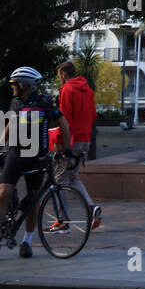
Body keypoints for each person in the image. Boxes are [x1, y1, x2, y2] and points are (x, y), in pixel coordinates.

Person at [0, 66, 71, 260]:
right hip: (15, 154)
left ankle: (27, 242)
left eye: (14, 84)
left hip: (37, 158)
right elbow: (10, 125)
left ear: (24, 85)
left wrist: (67, 147)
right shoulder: (15, 102)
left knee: (33, 202)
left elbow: (62, 122)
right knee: (3, 194)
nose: (12, 87)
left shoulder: (44, 101)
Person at [55, 61, 101, 229]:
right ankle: (91, 207)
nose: (59, 77)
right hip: (85, 139)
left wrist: (61, 143)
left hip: (71, 140)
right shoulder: (87, 90)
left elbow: (64, 119)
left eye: (59, 74)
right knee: (73, 177)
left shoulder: (67, 90)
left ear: (64, 74)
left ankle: (62, 221)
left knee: (60, 179)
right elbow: (94, 114)